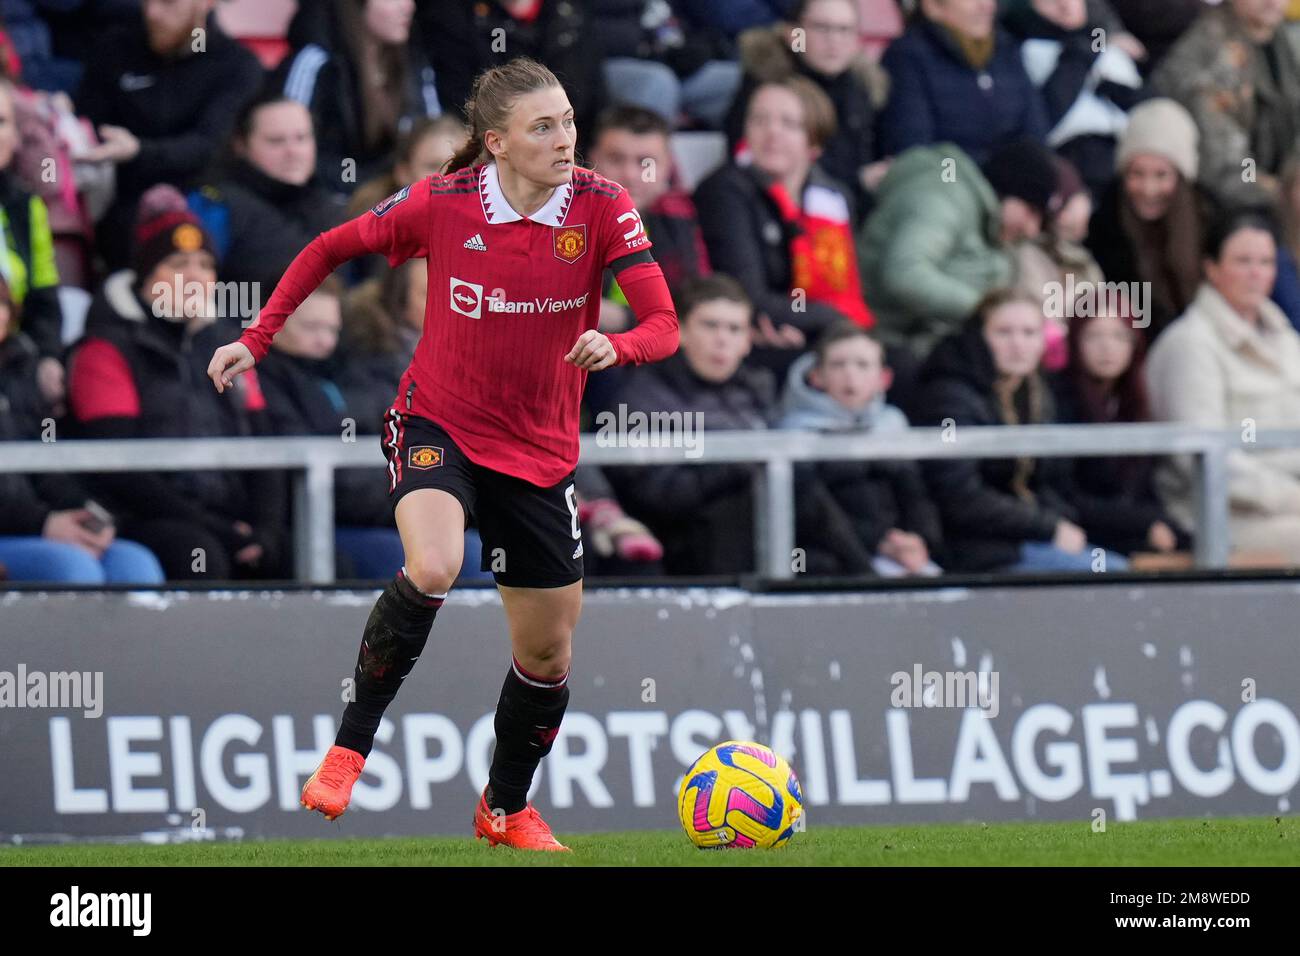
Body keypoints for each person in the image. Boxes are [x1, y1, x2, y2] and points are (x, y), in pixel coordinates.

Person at [206, 57, 679, 851]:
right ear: (495, 142)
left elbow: (664, 322)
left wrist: (618, 343)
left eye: (566, 120)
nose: (565, 139)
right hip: (440, 424)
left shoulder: (603, 206)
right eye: (543, 127)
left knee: (548, 653)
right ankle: (349, 750)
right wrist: (257, 337)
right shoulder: (443, 201)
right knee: (434, 567)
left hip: (540, 453)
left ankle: (503, 809)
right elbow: (327, 247)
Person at [66, 186, 289, 582]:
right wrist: (219, 529)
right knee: (202, 556)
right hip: (143, 517)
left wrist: (265, 530)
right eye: (177, 263)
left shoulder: (229, 347)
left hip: (229, 516)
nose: (194, 277)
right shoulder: (106, 348)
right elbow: (118, 469)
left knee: (304, 557)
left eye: (204, 264)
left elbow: (265, 448)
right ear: (146, 275)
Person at [914, 288, 1129, 573]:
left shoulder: (1037, 391)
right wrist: (1048, 527)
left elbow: (1052, 483)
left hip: (1029, 537)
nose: (1018, 345)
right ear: (978, 337)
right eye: (1004, 333)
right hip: (978, 549)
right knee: (1112, 575)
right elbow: (958, 495)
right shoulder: (949, 395)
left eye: (1029, 333)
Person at [1146, 209, 1300, 565]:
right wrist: (1291, 496)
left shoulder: (1286, 339)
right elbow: (1199, 457)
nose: (1256, 273)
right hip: (1219, 519)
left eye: (1265, 261)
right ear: (1212, 268)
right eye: (1243, 261)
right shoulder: (1190, 344)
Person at [695, 75, 871, 382]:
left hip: (820, 335)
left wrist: (825, 326)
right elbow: (748, 296)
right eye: (760, 120)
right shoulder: (725, 190)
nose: (772, 132)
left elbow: (852, 286)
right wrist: (833, 321)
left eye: (789, 124)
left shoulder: (835, 197)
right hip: (749, 340)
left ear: (814, 142)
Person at [605, 274, 775, 575]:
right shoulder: (641, 395)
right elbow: (656, 497)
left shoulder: (756, 389)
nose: (722, 339)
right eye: (710, 325)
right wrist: (737, 465)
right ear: (679, 332)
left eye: (734, 329)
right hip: (678, 550)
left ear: (748, 341)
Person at [0, 274, 164, 584]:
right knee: (75, 570)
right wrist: (42, 523)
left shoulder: (23, 371)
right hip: (22, 528)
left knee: (136, 567)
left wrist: (85, 513)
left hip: (37, 524)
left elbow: (48, 466)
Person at [74, 0, 263, 269]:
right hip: (124, 203)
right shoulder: (114, 50)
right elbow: (88, 124)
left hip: (206, 198)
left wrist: (139, 151)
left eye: (168, 2)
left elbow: (206, 145)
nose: (152, 13)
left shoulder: (236, 65)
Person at [778, 321, 944, 576]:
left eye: (862, 365)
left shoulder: (893, 424)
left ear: (884, 379)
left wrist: (920, 540)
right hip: (835, 561)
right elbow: (815, 516)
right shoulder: (795, 433)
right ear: (817, 376)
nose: (850, 375)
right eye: (838, 364)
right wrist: (877, 545)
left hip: (901, 555)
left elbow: (914, 493)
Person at [1051, 302, 1192, 558]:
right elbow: (1064, 495)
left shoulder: (1134, 402)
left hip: (1133, 528)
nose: (1107, 347)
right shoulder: (1058, 400)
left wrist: (1162, 524)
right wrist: (1144, 523)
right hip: (1084, 534)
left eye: (1119, 336)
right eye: (1094, 336)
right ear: (1074, 341)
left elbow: (1144, 488)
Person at [725, 0, 891, 210]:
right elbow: (751, 162)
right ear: (792, 33)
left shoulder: (863, 88)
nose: (834, 40)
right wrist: (858, 181)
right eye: (822, 27)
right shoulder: (764, 89)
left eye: (845, 29)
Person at [189, 94, 347, 302]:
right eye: (276, 141)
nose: (293, 151)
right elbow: (191, 290)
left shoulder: (335, 209)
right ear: (241, 145)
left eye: (301, 138)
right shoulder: (214, 205)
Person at [1086, 98, 1217, 342]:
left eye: (1161, 175)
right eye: (1137, 174)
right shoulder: (1103, 229)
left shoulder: (1211, 223)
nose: (1148, 189)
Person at [279, 0, 440, 195]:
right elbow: (288, 151)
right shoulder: (316, 61)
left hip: (391, 196)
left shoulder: (411, 60)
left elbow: (431, 134)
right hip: (325, 201)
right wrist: (363, 186)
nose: (408, 6)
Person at [1154, 0, 1300, 209]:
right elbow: (1225, 163)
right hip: (1221, 201)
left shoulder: (1285, 43)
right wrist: (1278, 194)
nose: (1272, 1)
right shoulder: (1210, 49)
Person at [877, 0, 1049, 165]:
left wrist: (1026, 184)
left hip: (1011, 183)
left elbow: (1036, 135)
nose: (986, 5)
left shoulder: (1006, 50)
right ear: (933, 6)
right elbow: (913, 150)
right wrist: (989, 182)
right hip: (948, 180)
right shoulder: (907, 57)